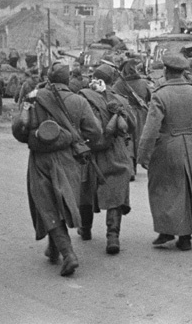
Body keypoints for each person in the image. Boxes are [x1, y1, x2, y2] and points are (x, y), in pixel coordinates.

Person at [12, 61, 101, 277]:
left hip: (40, 158)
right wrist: (78, 140)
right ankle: (54, 249)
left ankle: (67, 253)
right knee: (61, 201)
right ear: (67, 79)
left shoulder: (34, 98)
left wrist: (36, 137)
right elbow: (96, 131)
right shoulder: (79, 101)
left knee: (46, 203)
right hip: (68, 158)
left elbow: (19, 132)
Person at [137, 54, 192, 251]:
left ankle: (166, 230)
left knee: (162, 188)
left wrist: (143, 154)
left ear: (166, 71)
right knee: (188, 189)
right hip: (191, 144)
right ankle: (185, 236)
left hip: (167, 145)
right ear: (183, 72)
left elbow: (151, 128)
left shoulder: (160, 94)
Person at [77, 64, 135, 254]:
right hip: (115, 152)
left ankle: (85, 230)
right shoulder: (120, 100)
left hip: (90, 151)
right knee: (116, 193)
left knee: (86, 190)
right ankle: (112, 237)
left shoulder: (82, 97)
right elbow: (132, 126)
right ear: (112, 81)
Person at [113, 58, 151, 177]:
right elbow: (149, 97)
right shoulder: (143, 83)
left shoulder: (119, 84)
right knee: (139, 138)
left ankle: (131, 168)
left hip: (127, 113)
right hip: (141, 114)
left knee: (128, 140)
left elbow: (114, 97)